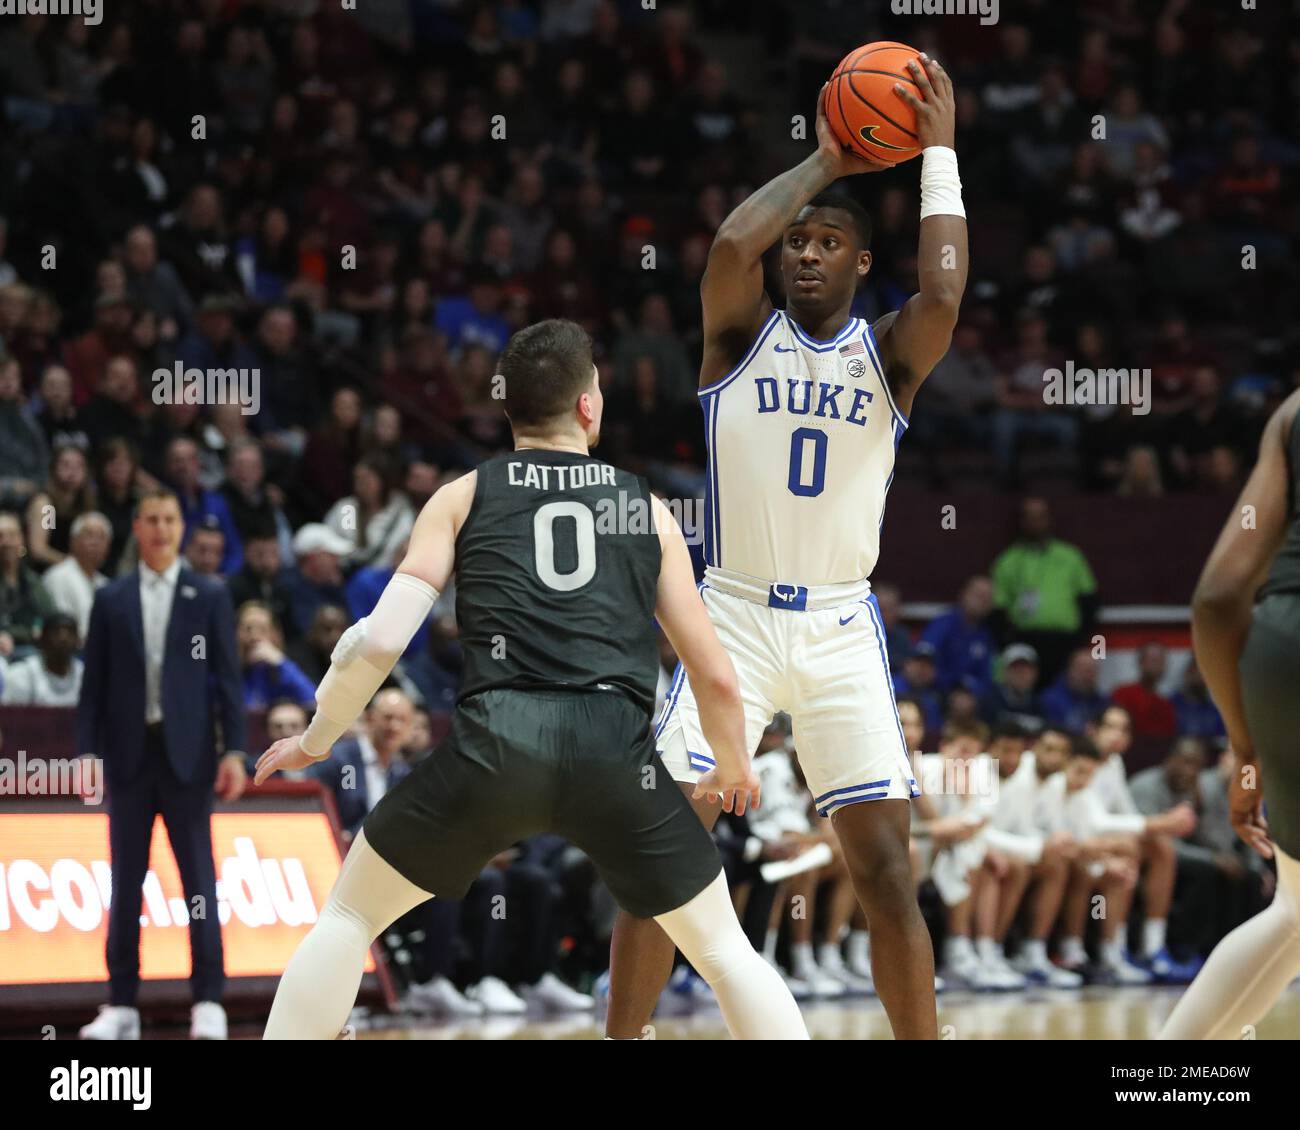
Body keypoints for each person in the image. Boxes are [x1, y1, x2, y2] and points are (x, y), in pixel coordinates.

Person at [255, 319, 807, 1040]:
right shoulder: (640, 506)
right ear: (587, 406)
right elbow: (715, 675)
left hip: (495, 744)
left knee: (350, 915)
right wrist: (732, 758)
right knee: (725, 950)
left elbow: (377, 640)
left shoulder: (460, 496)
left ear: (509, 407)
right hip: (615, 753)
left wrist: (320, 736)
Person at [613, 56, 965, 1041]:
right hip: (732, 612)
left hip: (841, 623)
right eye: (798, 244)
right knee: (662, 851)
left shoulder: (889, 354)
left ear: (859, 266)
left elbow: (942, 293)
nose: (804, 253)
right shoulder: (735, 339)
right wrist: (822, 165)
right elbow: (730, 240)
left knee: (887, 873)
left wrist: (936, 157)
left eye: (828, 244)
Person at [75, 489, 247, 1040]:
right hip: (128, 756)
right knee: (125, 881)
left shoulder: (210, 595)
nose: (161, 528)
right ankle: (121, 1002)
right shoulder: (111, 599)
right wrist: (85, 754)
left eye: (170, 518)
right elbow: (91, 688)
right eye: (151, 519)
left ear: (181, 526)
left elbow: (228, 683)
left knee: (199, 878)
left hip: (189, 758)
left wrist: (236, 751)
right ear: (138, 526)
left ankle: (209, 1000)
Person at [1161, 389, 1300, 1039]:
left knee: (1296, 909)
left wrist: (1248, 750)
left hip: (1281, 652)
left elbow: (1216, 600)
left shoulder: (1292, 413)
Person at [40, 510, 111, 639]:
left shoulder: (106, 584)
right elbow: (62, 629)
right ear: (73, 541)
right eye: (89, 535)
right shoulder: (58, 577)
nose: (95, 542)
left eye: (101, 537)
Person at [1, 611, 83, 706]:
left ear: (78, 641)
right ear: (42, 639)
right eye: (56, 633)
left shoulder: (85, 675)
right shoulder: (21, 675)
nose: (63, 639)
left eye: (70, 633)